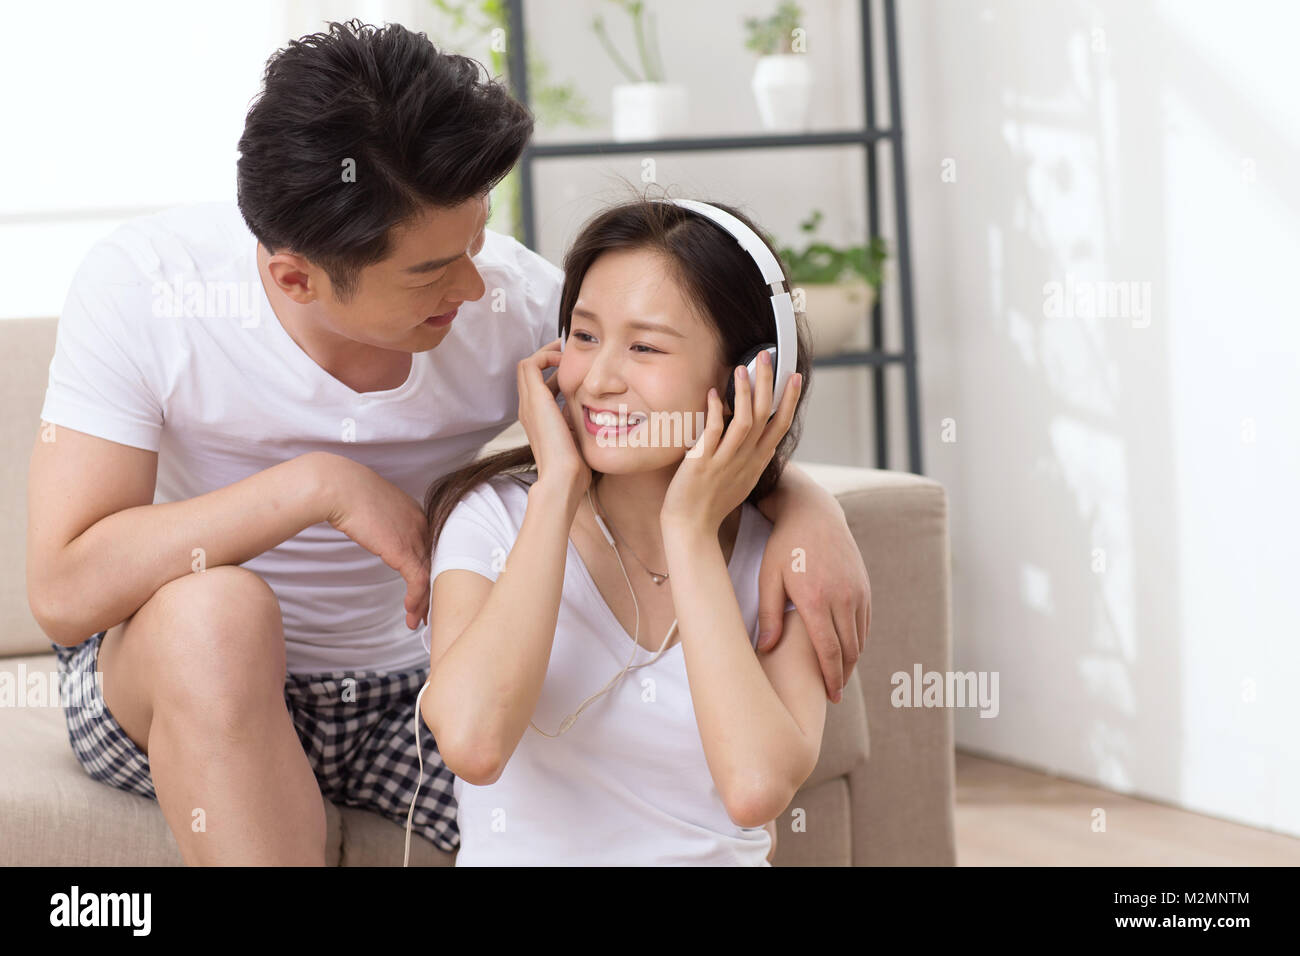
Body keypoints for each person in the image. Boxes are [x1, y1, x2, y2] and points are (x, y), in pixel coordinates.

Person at [26, 20, 869, 866]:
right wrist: (319, 486)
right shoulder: (151, 290)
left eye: (475, 238)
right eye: (432, 270)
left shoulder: (508, 299)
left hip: (413, 694)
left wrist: (801, 501)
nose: (474, 281)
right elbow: (64, 589)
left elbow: (669, 402)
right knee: (217, 614)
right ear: (296, 277)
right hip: (192, 679)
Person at [419, 197, 827, 865]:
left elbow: (755, 790)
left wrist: (691, 535)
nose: (599, 379)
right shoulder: (493, 518)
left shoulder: (783, 555)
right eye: (584, 336)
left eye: (644, 346)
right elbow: (472, 743)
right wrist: (555, 489)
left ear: (751, 375)